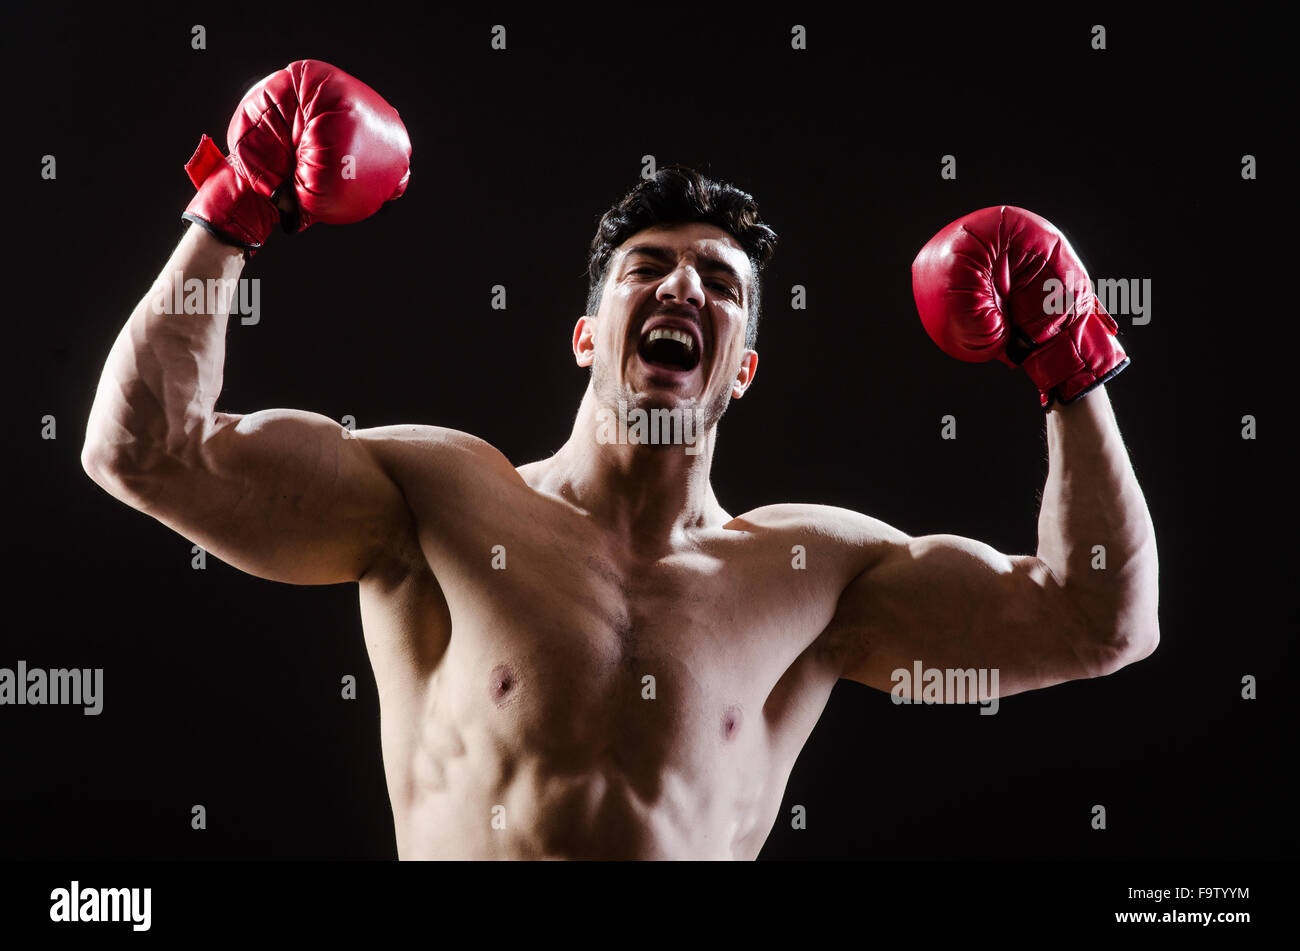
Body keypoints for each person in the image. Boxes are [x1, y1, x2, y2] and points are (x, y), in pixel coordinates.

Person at [81, 60, 1159, 860]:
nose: (684, 288)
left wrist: (1071, 362)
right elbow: (143, 451)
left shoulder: (817, 573)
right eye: (647, 267)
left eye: (721, 284)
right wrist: (237, 205)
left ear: (740, 370)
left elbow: (1101, 622)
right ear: (589, 334)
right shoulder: (436, 498)